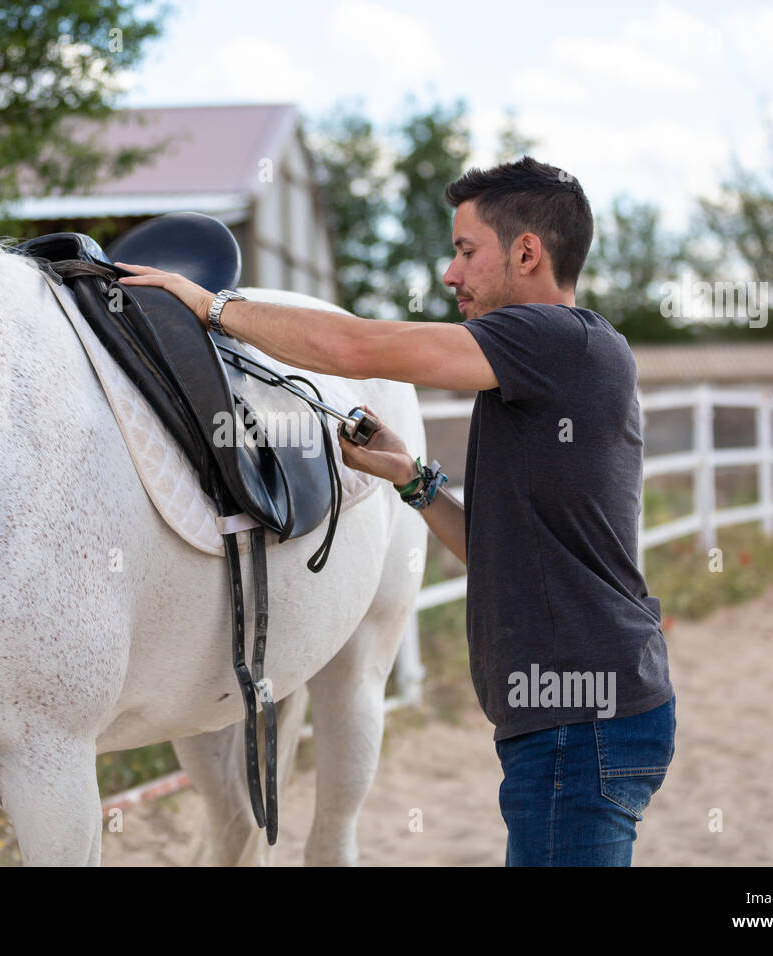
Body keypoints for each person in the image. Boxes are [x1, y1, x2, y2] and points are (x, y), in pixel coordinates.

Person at [116, 155, 675, 866]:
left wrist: (209, 306)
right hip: (576, 720)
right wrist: (412, 480)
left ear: (527, 252)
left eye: (466, 250)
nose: (450, 274)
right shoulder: (552, 364)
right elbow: (497, 551)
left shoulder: (555, 339)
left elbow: (355, 347)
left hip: (583, 724)